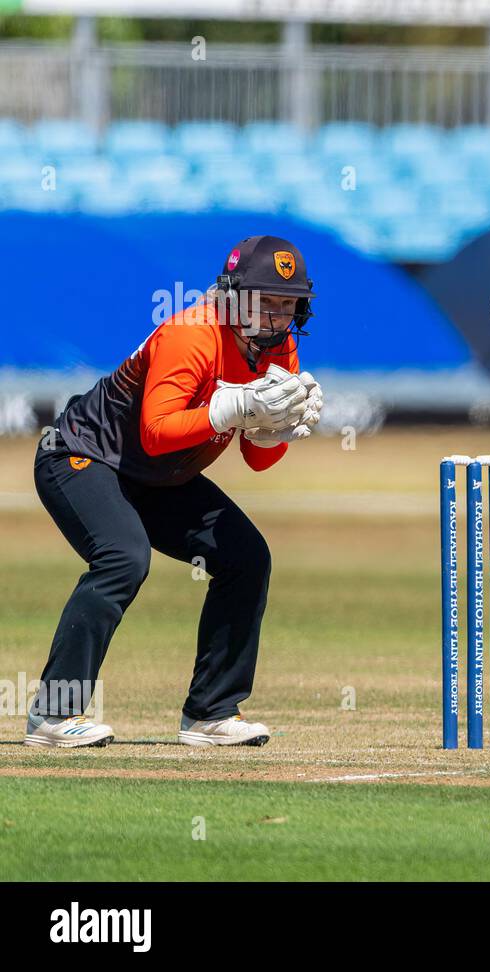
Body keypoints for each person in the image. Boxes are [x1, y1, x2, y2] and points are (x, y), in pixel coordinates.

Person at [26, 235, 324, 749]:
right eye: (265, 301)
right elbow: (155, 431)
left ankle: (211, 713)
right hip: (82, 456)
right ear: (233, 296)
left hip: (160, 478)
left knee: (246, 558)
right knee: (123, 557)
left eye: (286, 304)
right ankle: (53, 715)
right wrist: (230, 410)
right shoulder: (191, 334)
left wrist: (274, 430)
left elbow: (256, 459)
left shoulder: (282, 349)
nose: (276, 318)